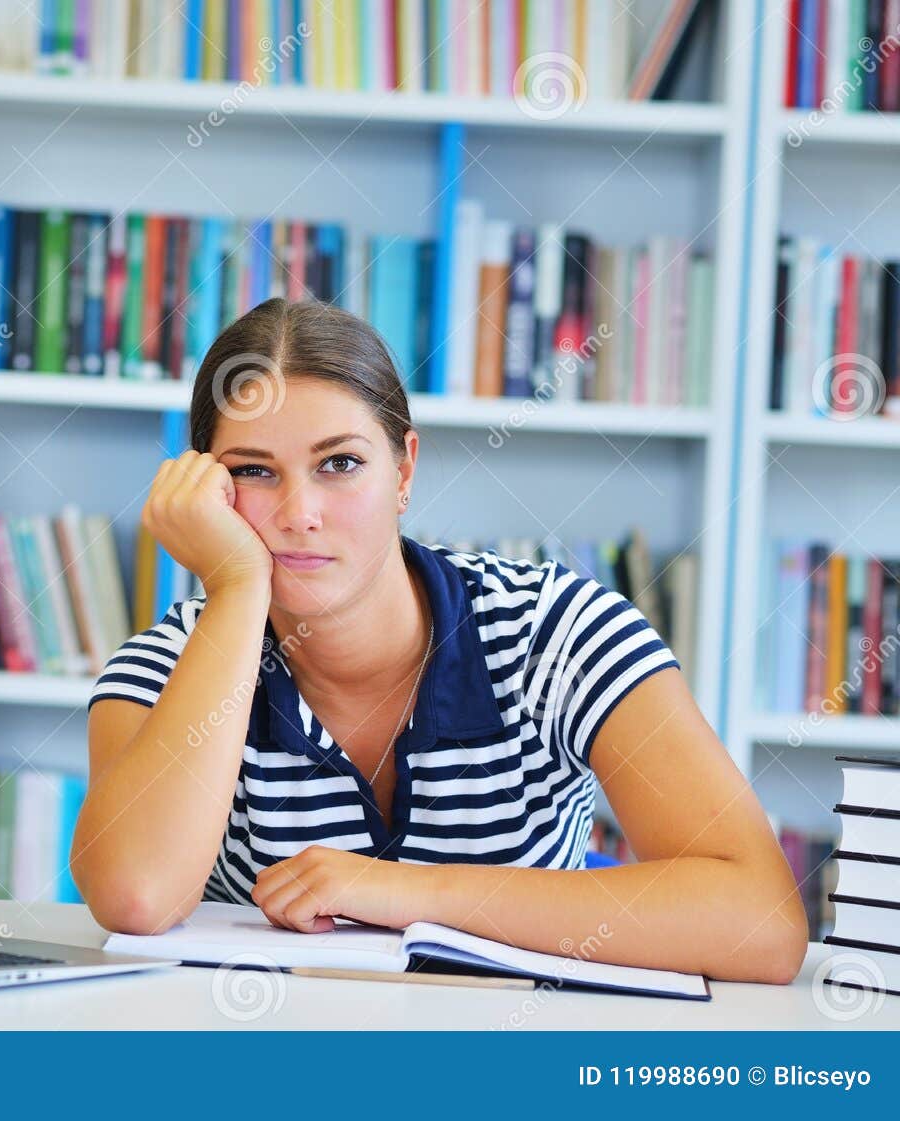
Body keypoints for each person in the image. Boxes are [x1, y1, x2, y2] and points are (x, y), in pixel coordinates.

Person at [72, 298, 807, 984]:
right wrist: (235, 588)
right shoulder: (166, 666)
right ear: (208, 493)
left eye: (340, 463)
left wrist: (400, 890)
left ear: (405, 469)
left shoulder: (560, 632)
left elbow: (762, 920)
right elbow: (135, 895)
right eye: (253, 472)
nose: (300, 513)